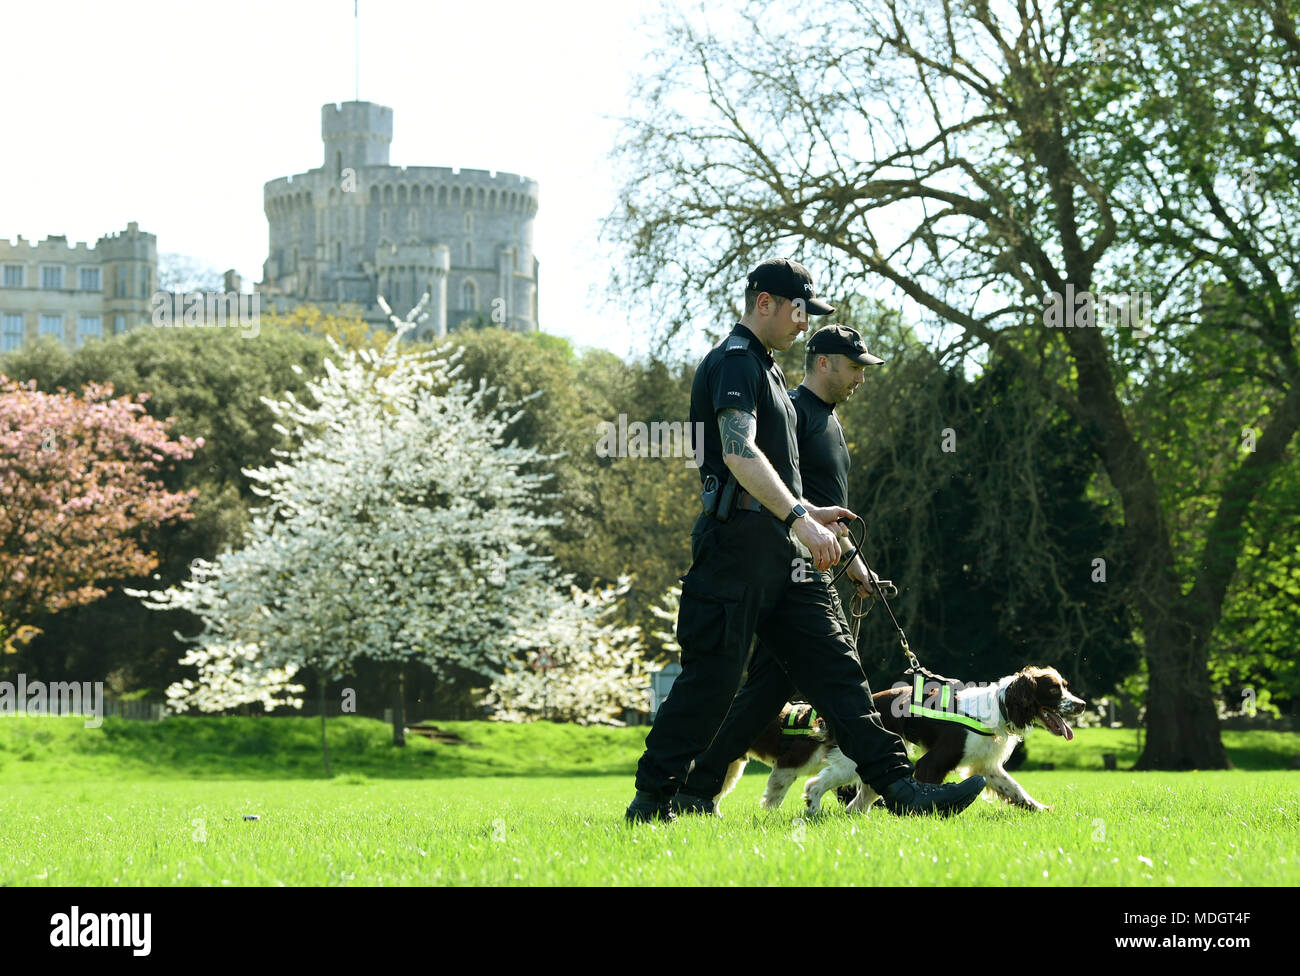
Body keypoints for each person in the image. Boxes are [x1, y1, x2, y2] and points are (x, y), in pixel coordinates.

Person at [626, 258, 985, 822]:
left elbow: (772, 472)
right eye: (799, 311)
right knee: (711, 683)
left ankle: (902, 791)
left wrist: (810, 511)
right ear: (764, 302)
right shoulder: (734, 363)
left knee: (839, 672)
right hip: (735, 550)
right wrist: (800, 517)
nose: (803, 324)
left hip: (785, 554)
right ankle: (658, 799)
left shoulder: (768, 372)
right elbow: (738, 452)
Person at [669, 324, 890, 813]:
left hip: (808, 566)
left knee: (774, 690)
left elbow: (828, 511)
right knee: (808, 683)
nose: (860, 378)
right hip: (784, 572)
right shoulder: (794, 415)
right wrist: (847, 563)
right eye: (854, 367)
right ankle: (874, 785)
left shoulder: (828, 423)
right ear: (825, 362)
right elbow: (781, 494)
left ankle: (699, 787)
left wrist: (855, 566)